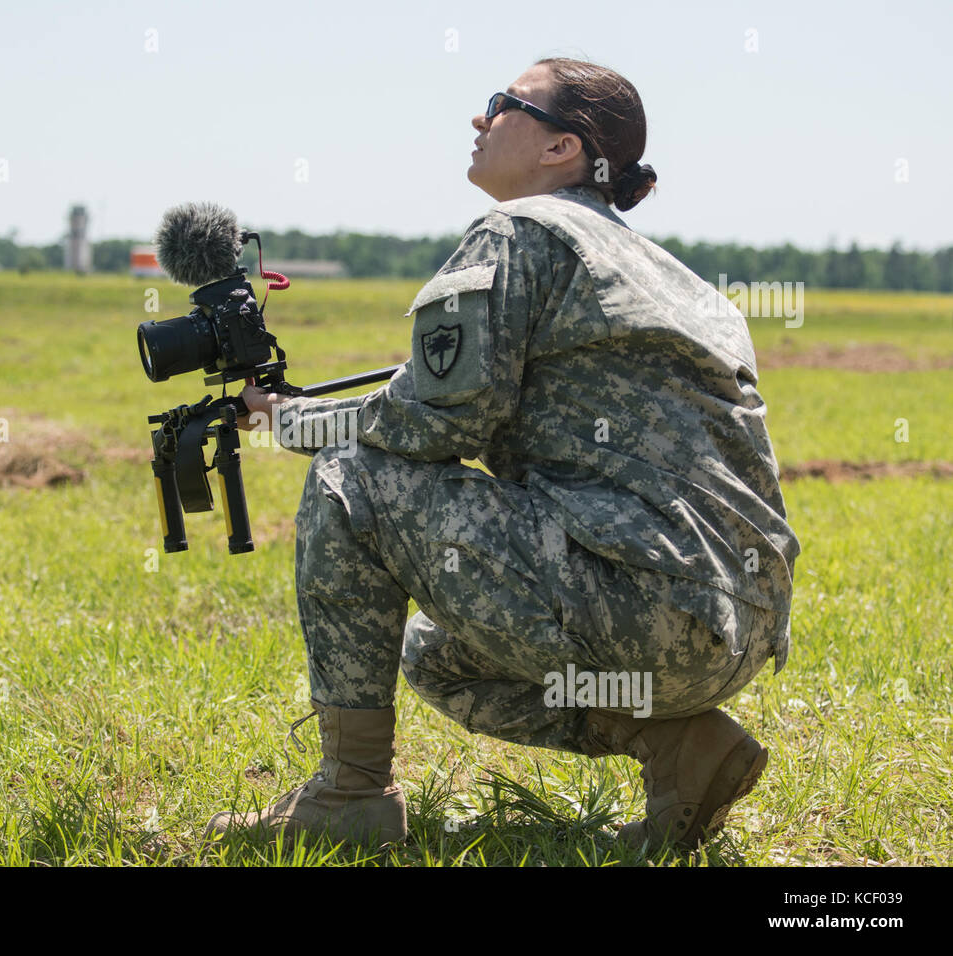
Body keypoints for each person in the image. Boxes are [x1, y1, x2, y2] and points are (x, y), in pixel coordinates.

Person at [205, 57, 800, 853]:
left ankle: (350, 796)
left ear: (561, 148)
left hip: (640, 605)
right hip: (736, 628)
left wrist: (292, 422)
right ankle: (679, 745)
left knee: (351, 477)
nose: (479, 122)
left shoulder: (520, 230)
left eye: (501, 105)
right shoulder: (678, 278)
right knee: (443, 657)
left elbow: (434, 426)